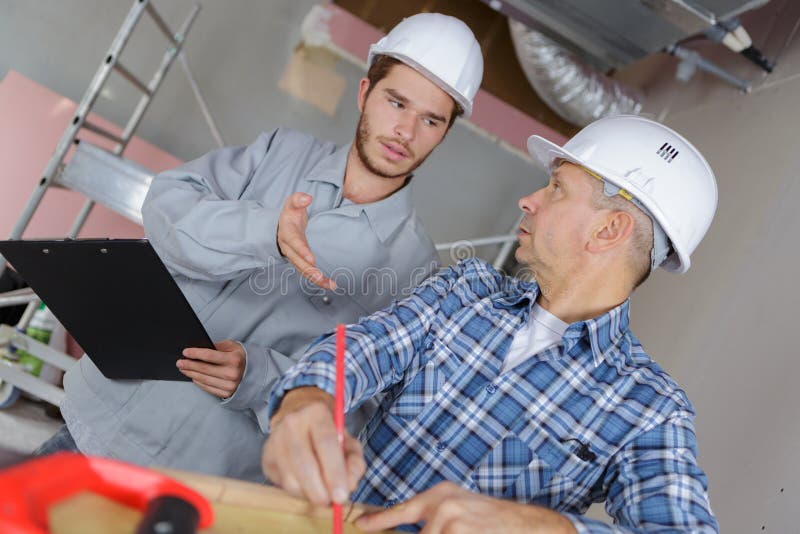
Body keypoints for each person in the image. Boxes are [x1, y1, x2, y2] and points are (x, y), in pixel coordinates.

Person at [36, 13, 484, 483]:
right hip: (104, 422)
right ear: (365, 92)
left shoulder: (419, 272)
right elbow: (167, 206)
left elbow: (366, 413)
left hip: (204, 478)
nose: (406, 132)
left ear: (444, 133)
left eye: (431, 120)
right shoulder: (279, 152)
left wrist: (259, 380)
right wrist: (265, 233)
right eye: (396, 102)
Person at [262, 115, 720, 532]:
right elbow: (365, 348)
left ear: (608, 231)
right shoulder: (467, 289)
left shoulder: (650, 410)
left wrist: (538, 527)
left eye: (556, 187)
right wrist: (308, 399)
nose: (529, 199)